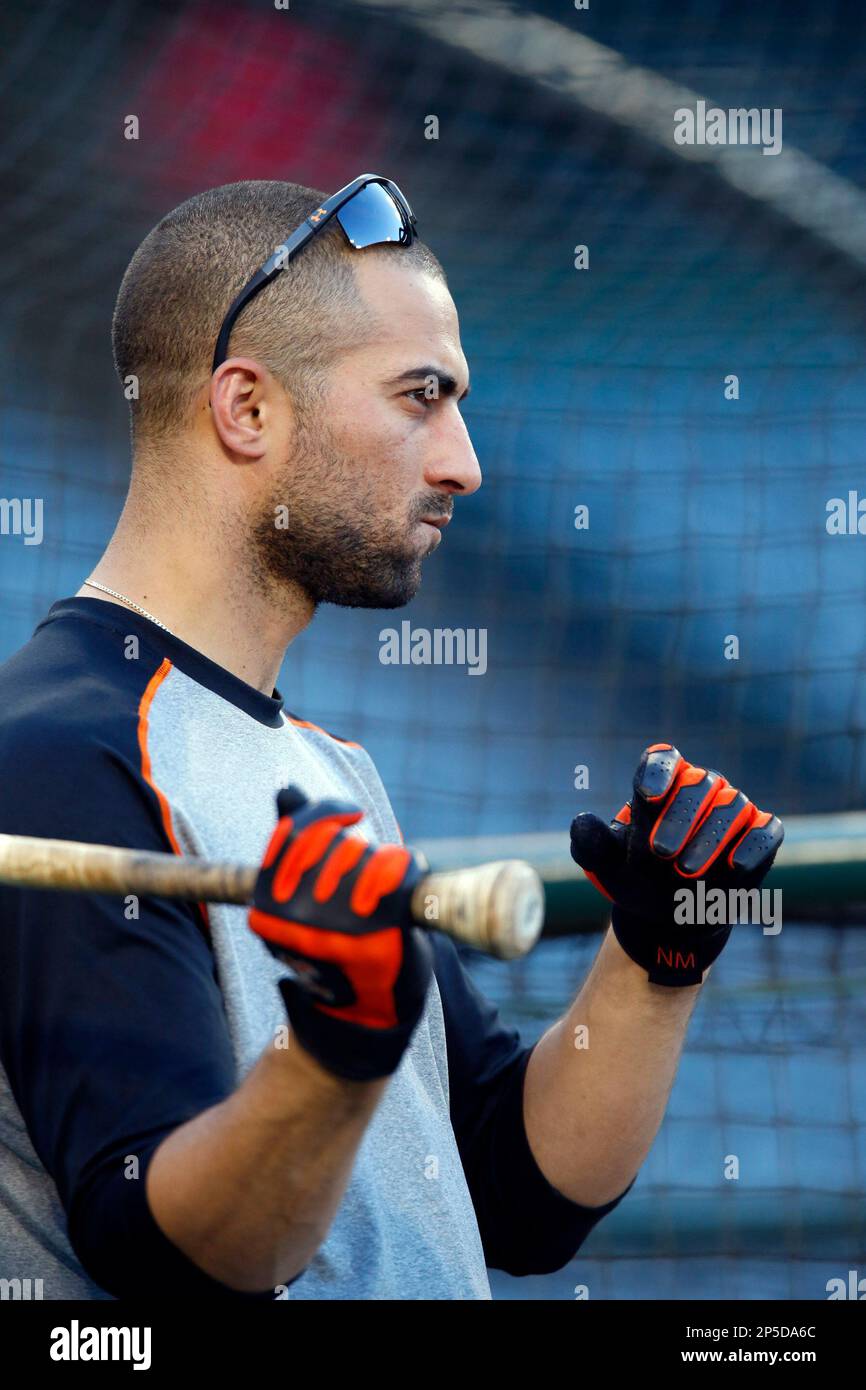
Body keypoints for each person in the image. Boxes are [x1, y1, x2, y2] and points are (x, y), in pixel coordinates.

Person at [0, 176, 782, 1300]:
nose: (463, 462)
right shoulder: (61, 757)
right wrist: (334, 1051)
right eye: (421, 396)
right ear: (247, 410)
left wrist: (654, 957)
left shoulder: (328, 770)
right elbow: (166, 1253)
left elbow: (518, 1190)